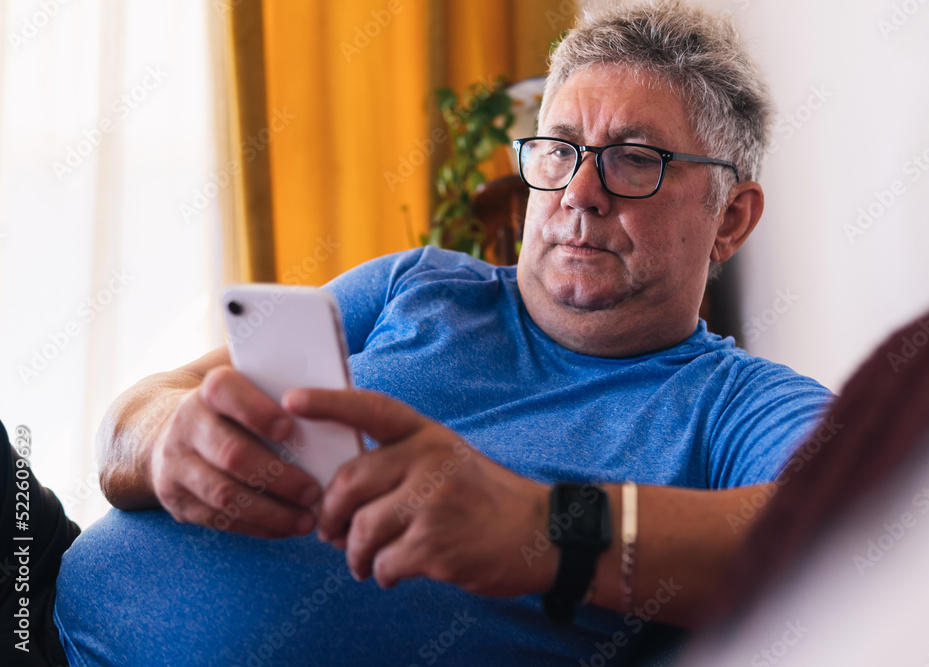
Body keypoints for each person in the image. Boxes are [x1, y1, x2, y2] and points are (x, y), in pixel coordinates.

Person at [45, 1, 832, 665]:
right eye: (558, 151)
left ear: (730, 218)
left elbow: (844, 514)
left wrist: (540, 523)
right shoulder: (417, 281)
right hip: (38, 604)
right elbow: (140, 411)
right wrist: (166, 438)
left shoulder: (734, 405)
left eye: (634, 160)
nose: (579, 193)